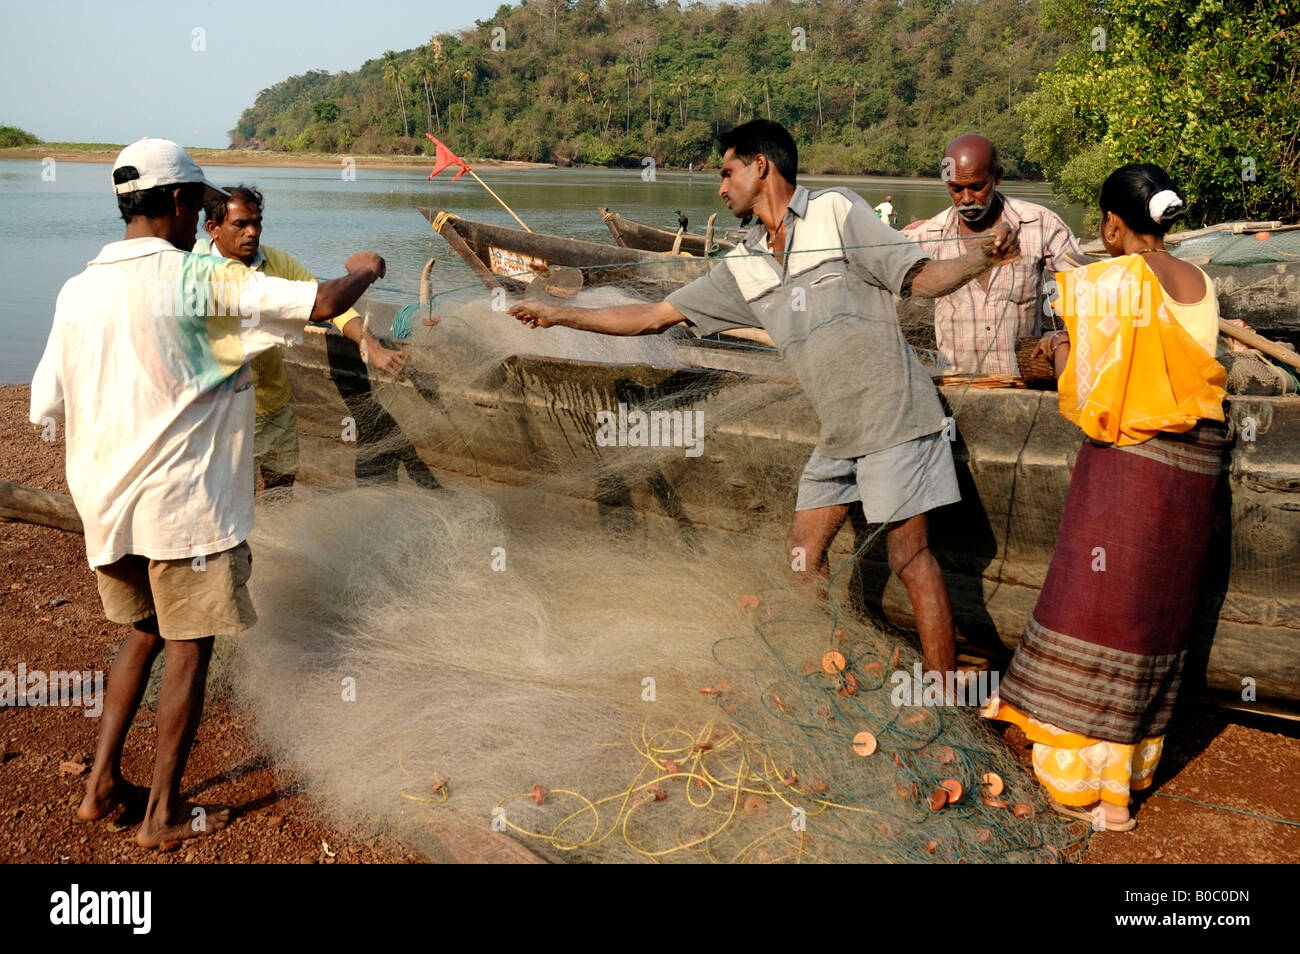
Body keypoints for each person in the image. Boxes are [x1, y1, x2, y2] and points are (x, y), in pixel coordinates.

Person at [509, 120, 1021, 675]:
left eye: (727, 172)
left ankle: (941, 692)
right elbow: (654, 318)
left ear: (762, 166)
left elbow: (919, 279)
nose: (721, 187)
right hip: (839, 434)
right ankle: (832, 667)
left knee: (911, 559)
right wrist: (562, 314)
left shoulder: (836, 211)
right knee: (803, 558)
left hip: (895, 415)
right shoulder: (744, 264)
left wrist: (980, 259)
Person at [29, 137, 386, 849]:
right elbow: (320, 302)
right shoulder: (196, 280)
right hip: (182, 512)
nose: (207, 216)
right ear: (179, 202)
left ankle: (100, 787)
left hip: (107, 509)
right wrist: (367, 269)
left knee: (143, 634)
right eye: (200, 202)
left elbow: (46, 403)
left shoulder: (79, 287)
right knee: (190, 649)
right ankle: (161, 813)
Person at [982, 164, 1229, 831]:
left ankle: (1077, 781)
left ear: (1113, 224)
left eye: (1103, 223)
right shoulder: (1201, 282)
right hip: (1194, 472)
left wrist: (1056, 354)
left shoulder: (1108, 282)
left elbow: (1094, 391)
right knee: (1149, 622)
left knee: (1092, 611)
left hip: (1130, 470)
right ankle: (1120, 791)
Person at [198, 185, 406, 491]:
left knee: (281, 485)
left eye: (257, 223)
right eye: (241, 224)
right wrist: (363, 273)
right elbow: (323, 304)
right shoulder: (197, 269)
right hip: (224, 410)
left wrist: (370, 345)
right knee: (231, 494)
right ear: (213, 229)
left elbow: (328, 305)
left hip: (275, 402)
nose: (252, 233)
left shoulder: (275, 262)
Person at [909, 134, 1082, 375]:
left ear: (997, 176)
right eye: (956, 189)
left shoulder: (1041, 224)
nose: (967, 199)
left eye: (977, 187)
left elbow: (1085, 295)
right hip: (954, 388)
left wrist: (1062, 336)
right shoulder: (928, 237)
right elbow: (892, 289)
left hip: (1021, 389)